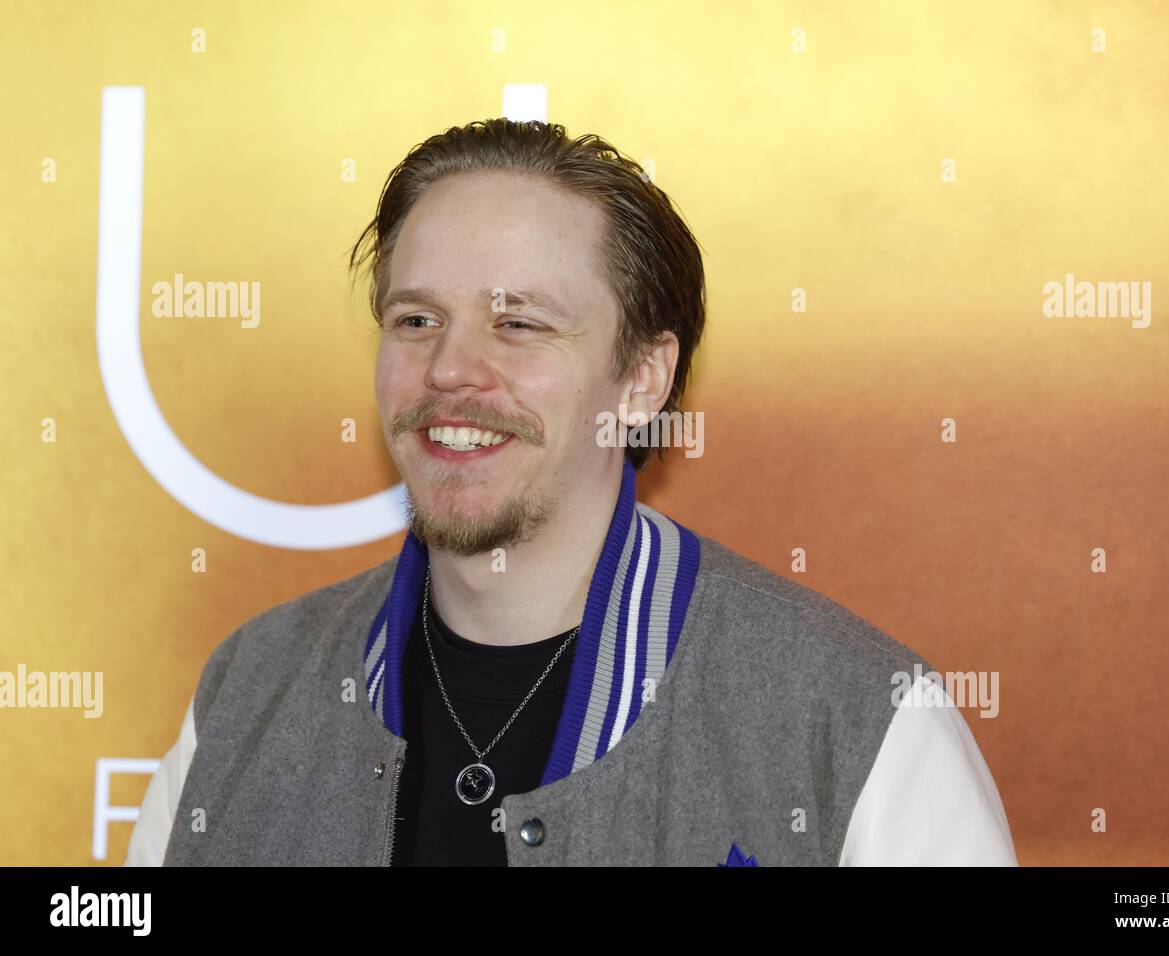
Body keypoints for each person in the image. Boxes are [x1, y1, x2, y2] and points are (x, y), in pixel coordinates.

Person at [125, 118, 1017, 866]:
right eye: (416, 319)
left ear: (640, 379)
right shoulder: (247, 691)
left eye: (519, 323)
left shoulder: (858, 721)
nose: (450, 368)